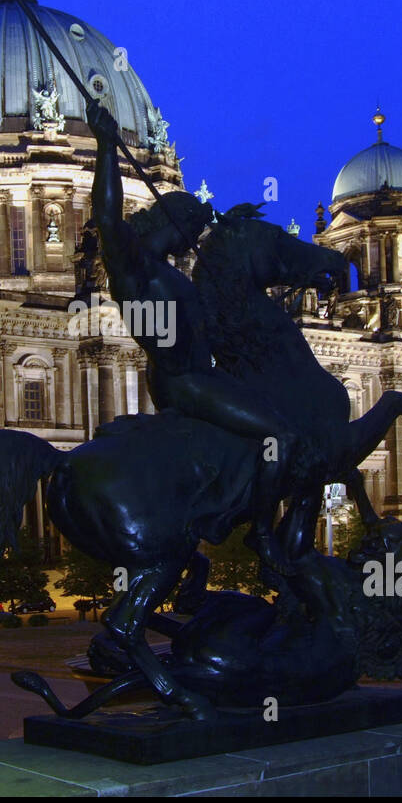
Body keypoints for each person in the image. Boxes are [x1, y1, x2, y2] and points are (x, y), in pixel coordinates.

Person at [87, 101, 315, 567]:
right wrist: (107, 148)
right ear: (173, 224)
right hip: (186, 383)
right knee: (283, 435)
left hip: (197, 377)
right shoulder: (135, 270)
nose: (194, 239)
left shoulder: (173, 276)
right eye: (192, 228)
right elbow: (109, 218)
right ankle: (264, 535)